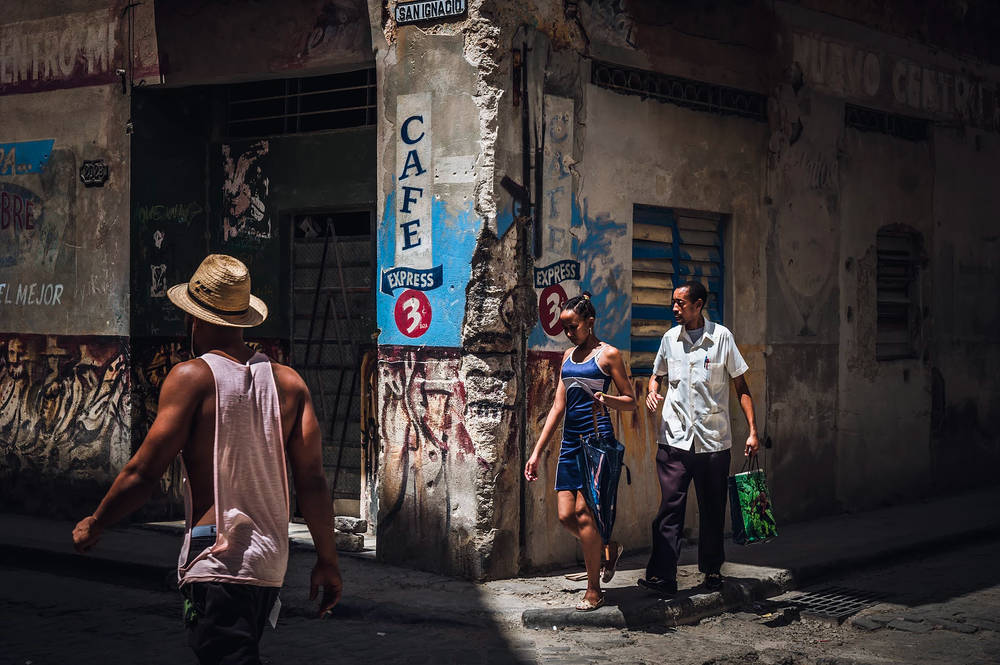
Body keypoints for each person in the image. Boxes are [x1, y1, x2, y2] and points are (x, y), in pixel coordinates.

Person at [72, 254, 343, 664]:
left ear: (194, 318)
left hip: (217, 559)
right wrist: (327, 559)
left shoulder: (192, 377)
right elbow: (312, 482)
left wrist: (96, 523)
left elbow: (144, 472)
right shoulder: (290, 384)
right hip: (270, 564)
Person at [639, 280, 759, 597]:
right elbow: (657, 374)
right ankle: (663, 575)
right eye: (673, 303)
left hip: (713, 442)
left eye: (681, 303)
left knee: (712, 509)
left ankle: (712, 570)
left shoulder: (721, 338)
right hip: (674, 439)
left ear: (699, 304)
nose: (675, 309)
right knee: (669, 508)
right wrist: (652, 392)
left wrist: (753, 431)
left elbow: (741, 387)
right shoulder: (668, 339)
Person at [524, 292, 636, 611]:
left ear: (590, 322)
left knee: (586, 515)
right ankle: (608, 548)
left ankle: (593, 590)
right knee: (565, 515)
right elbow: (558, 406)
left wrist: (607, 400)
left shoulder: (609, 355)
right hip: (571, 443)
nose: (569, 334)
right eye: (564, 329)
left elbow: (630, 400)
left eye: (573, 327)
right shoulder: (568, 357)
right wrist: (537, 452)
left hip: (597, 444)